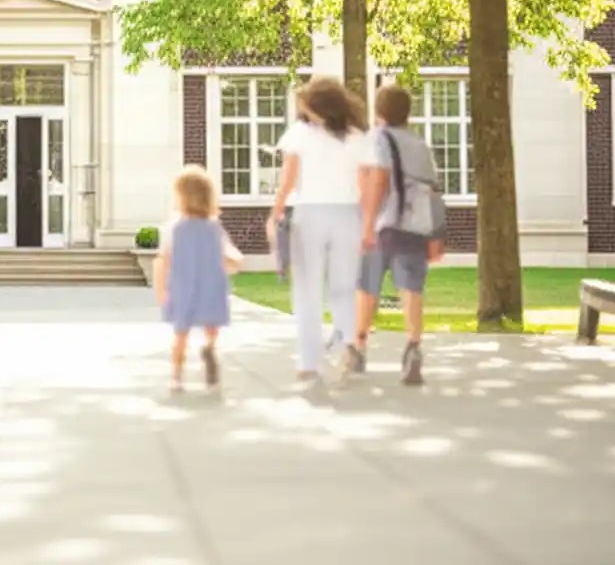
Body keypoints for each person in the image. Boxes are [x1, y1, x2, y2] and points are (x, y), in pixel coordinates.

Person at [267, 76, 367, 386]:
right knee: (344, 286)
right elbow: (364, 181)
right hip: (349, 213)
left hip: (310, 212)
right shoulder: (356, 135)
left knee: (308, 290)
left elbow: (288, 179)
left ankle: (310, 362)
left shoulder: (300, 134)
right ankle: (349, 341)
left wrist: (276, 212)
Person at [349, 84, 445, 385]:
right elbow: (433, 190)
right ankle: (413, 347)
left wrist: (366, 225)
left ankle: (358, 347)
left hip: (385, 224)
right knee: (411, 289)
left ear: (379, 111)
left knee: (367, 287)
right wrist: (436, 234)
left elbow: (378, 179)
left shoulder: (378, 138)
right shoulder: (419, 144)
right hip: (417, 226)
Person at [155, 164, 245, 394]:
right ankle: (209, 349)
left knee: (181, 334)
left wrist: (161, 290)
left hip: (183, 288)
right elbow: (228, 255)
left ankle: (176, 377)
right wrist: (232, 263)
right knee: (211, 327)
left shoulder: (175, 228)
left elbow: (163, 260)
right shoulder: (213, 227)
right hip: (211, 287)